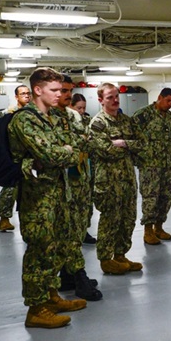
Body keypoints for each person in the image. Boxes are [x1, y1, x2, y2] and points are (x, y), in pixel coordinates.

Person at [8, 68, 86, 328]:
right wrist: (61, 152)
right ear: (37, 90)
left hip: (58, 193)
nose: (59, 95)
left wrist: (62, 151)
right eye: (53, 90)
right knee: (39, 251)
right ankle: (36, 308)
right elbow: (53, 154)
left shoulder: (53, 117)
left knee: (56, 249)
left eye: (60, 90)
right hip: (37, 199)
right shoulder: (24, 120)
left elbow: (72, 146)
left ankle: (51, 296)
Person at [53, 74, 102, 301]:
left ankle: (68, 274)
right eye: (63, 90)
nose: (66, 94)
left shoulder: (73, 116)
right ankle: (78, 275)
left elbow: (84, 143)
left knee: (77, 228)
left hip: (80, 181)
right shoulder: (46, 118)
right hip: (62, 185)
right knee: (69, 232)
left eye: (69, 90)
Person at [88, 83, 144, 274]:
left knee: (128, 219)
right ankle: (106, 259)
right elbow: (105, 150)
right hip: (108, 182)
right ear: (101, 100)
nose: (115, 100)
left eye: (116, 96)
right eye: (110, 97)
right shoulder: (98, 123)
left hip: (128, 179)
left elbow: (141, 144)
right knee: (109, 221)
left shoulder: (126, 121)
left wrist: (124, 143)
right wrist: (126, 147)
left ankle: (121, 255)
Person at [133, 88, 171, 245]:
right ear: (159, 97)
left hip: (167, 165)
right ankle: (148, 230)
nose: (170, 104)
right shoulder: (143, 115)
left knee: (166, 197)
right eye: (168, 101)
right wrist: (139, 159)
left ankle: (159, 227)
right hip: (149, 165)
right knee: (150, 197)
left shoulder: (170, 118)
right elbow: (132, 138)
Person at [0, 84, 30, 232]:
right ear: (16, 96)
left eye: (28, 93)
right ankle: (4, 219)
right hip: (12, 156)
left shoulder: (31, 113)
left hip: (27, 156)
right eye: (23, 94)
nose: (26, 96)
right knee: (10, 188)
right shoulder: (9, 113)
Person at [69, 93, 96, 244]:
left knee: (87, 203)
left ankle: (84, 230)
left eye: (84, 108)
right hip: (73, 168)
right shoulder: (66, 121)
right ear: (71, 106)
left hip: (86, 166)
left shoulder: (87, 120)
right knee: (74, 203)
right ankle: (73, 233)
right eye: (78, 108)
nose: (81, 111)